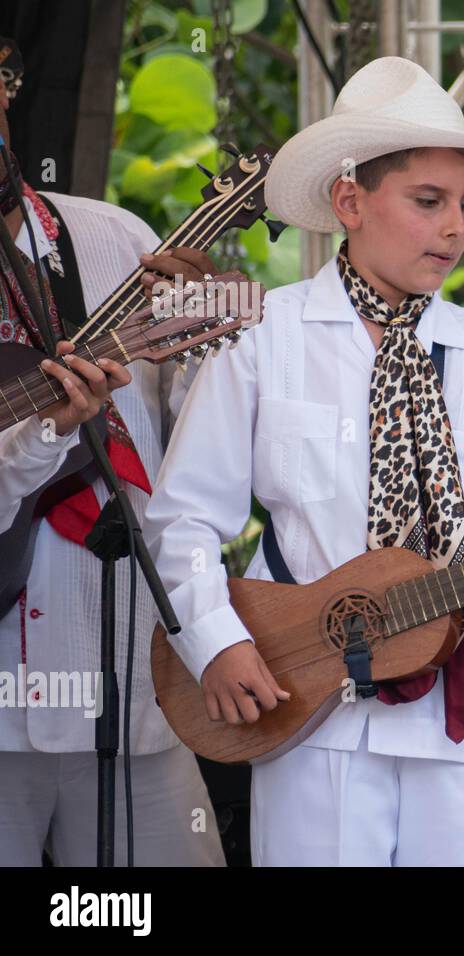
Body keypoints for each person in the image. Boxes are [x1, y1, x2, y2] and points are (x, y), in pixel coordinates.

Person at [143, 57, 464, 867]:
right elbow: (185, 514)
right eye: (427, 201)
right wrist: (216, 641)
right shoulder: (269, 338)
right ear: (349, 201)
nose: (455, 226)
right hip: (310, 712)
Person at [0, 38, 225, 866]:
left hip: (129, 686)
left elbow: (200, 459)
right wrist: (43, 433)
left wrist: (201, 344)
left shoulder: (114, 240)